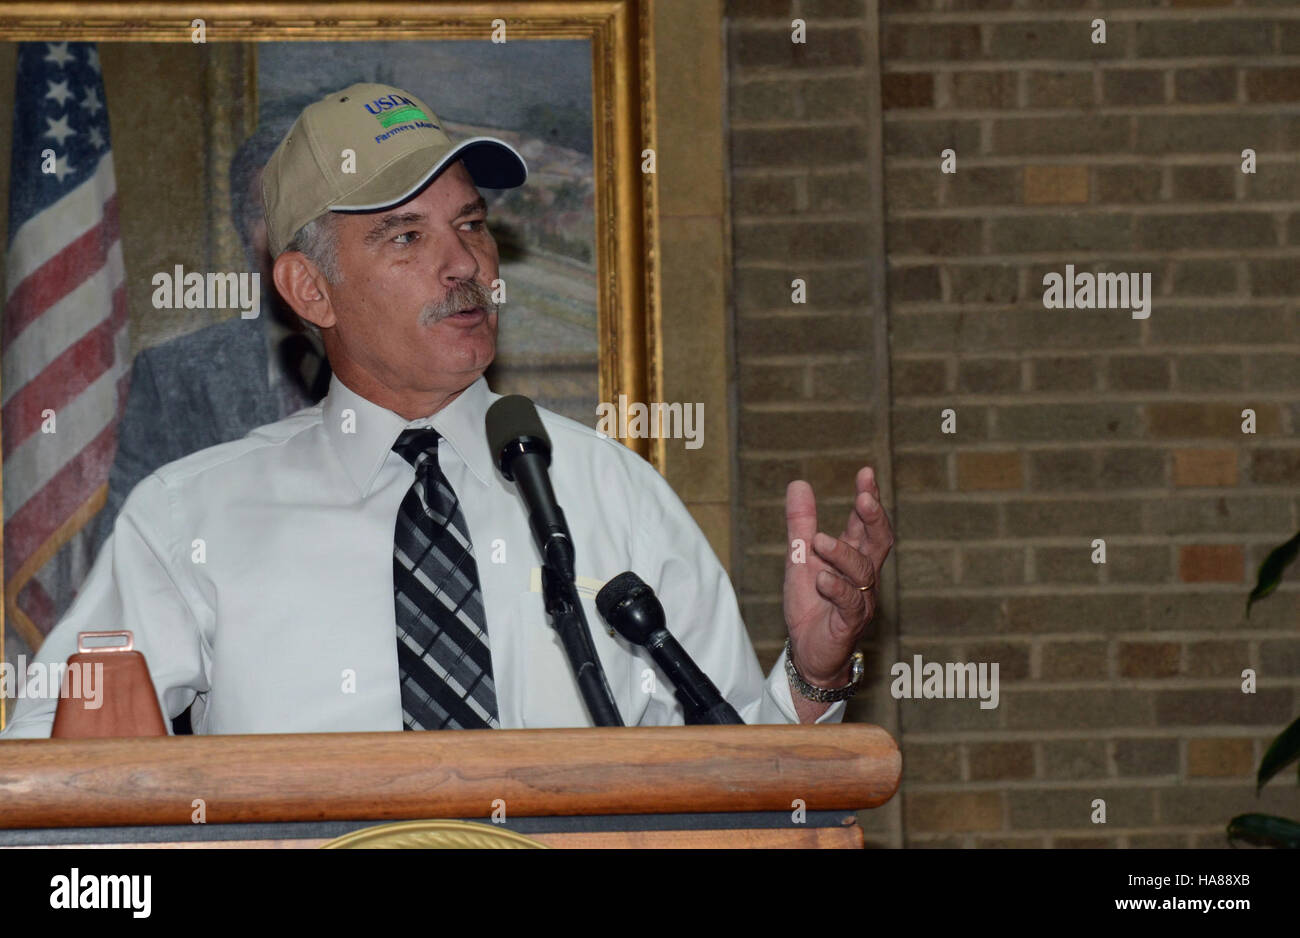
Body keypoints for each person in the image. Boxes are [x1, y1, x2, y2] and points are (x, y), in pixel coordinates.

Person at [0, 83, 893, 737]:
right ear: (312, 287)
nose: (462, 263)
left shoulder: (614, 491)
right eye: (405, 237)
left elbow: (746, 785)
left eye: (469, 225)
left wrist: (813, 679)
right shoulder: (190, 518)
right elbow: (46, 772)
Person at [90, 103, 329, 562]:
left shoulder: (402, 368)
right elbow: (124, 555)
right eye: (264, 212)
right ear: (242, 231)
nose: (284, 236)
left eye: (304, 212)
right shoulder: (173, 376)